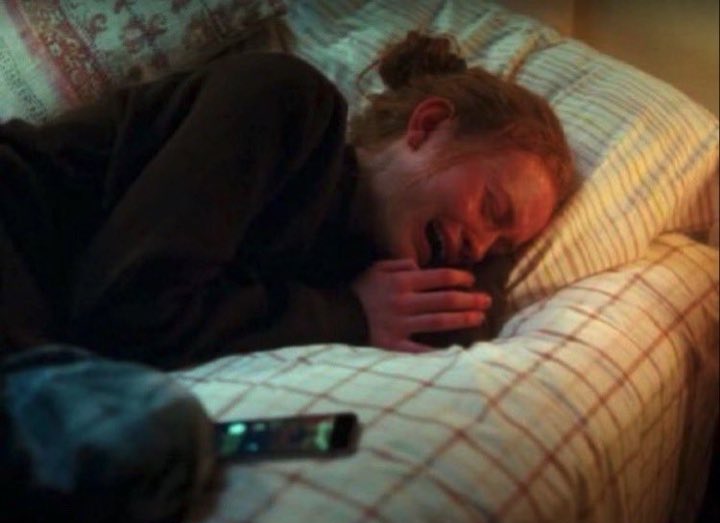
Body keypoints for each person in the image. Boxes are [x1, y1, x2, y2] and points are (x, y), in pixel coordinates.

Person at [0, 31, 573, 368]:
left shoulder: (360, 267)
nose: (481, 247)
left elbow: (458, 332)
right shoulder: (288, 106)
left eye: (502, 247)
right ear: (427, 127)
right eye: (492, 209)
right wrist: (345, 314)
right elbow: (125, 308)